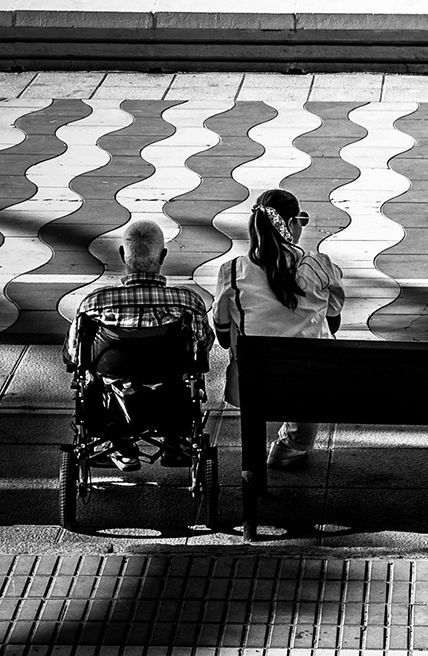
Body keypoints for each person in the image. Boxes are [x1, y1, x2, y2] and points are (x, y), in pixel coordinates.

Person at [64, 219, 214, 471]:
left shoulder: (94, 304)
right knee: (182, 376)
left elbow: (73, 354)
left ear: (123, 255)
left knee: (94, 380)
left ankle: (121, 447)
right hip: (169, 390)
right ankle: (174, 441)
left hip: (113, 396)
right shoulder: (187, 301)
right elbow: (204, 344)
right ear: (163, 255)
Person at [213, 188, 344, 469]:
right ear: (293, 224)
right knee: (312, 348)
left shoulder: (233, 272)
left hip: (253, 385)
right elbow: (334, 319)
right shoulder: (320, 267)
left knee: (240, 332)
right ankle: (294, 444)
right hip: (311, 384)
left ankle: (263, 461)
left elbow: (223, 335)